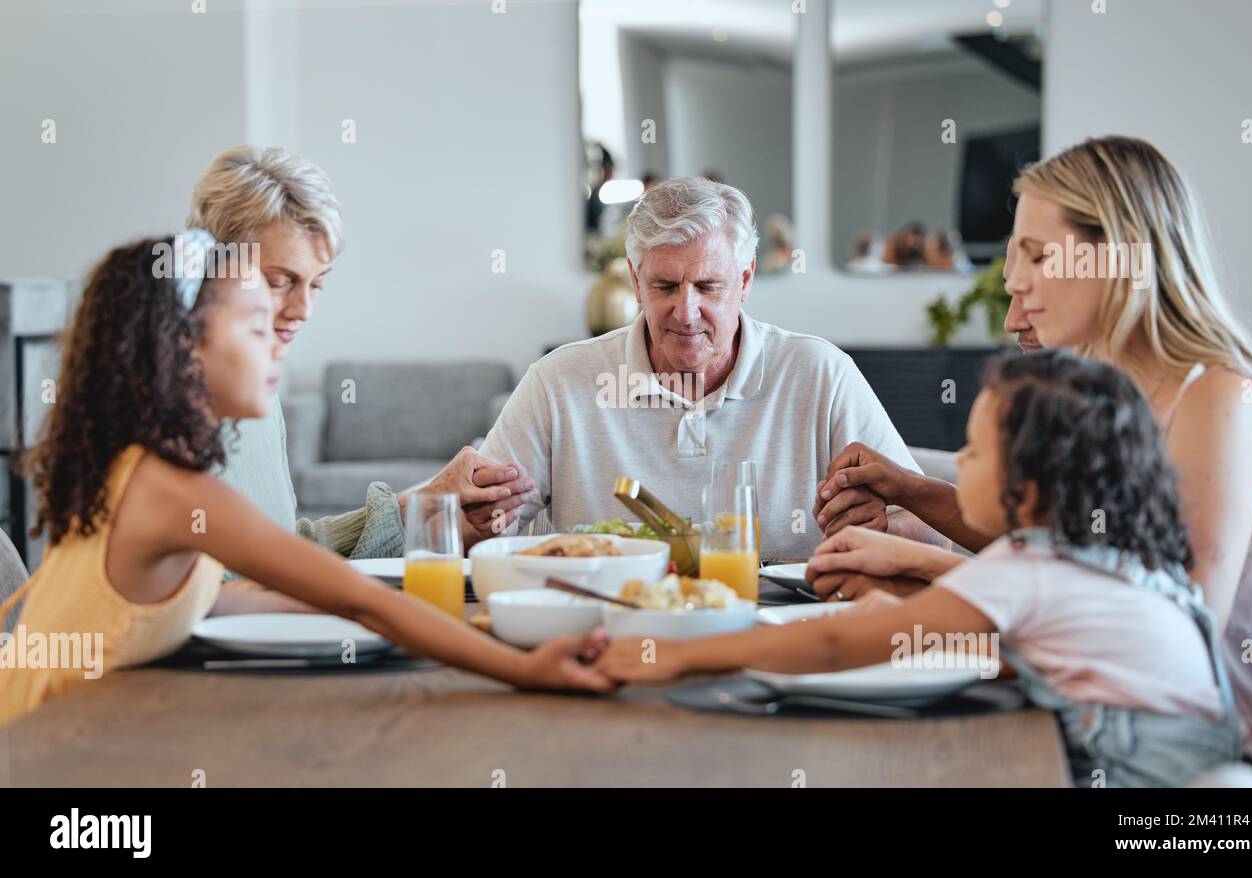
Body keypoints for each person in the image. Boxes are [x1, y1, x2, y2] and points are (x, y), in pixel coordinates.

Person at [815, 136, 1252, 769]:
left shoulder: (1217, 400)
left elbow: (1158, 628)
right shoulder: (1110, 387)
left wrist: (921, 569)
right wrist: (913, 491)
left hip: (1211, 768)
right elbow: (1067, 558)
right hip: (1097, 719)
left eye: (1038, 255)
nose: (1014, 281)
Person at [0, 234, 611, 723]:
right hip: (41, 754)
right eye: (257, 327)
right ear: (183, 349)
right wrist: (522, 667)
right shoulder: (175, 491)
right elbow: (356, 597)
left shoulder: (140, 469)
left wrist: (454, 620)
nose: (280, 346)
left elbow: (223, 597)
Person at [597, 351, 1242, 788]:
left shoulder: (1028, 568)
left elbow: (828, 642)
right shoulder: (1114, 557)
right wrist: (912, 622)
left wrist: (675, 658)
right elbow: (1067, 656)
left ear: (1035, 486)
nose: (958, 459)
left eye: (977, 450)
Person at [478, 176, 943, 559]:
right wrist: (471, 519)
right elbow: (479, 530)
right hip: (605, 629)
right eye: (664, 286)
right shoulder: (557, 381)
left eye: (708, 286)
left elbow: (932, 529)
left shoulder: (821, 374)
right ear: (636, 282)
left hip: (783, 633)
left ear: (745, 280)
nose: (686, 312)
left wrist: (883, 527)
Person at [188, 146, 532, 560]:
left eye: (317, 285)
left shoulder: (262, 390)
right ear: (212, 268)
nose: (303, 311)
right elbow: (224, 586)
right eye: (280, 281)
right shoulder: (160, 405)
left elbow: (283, 549)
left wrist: (424, 507)